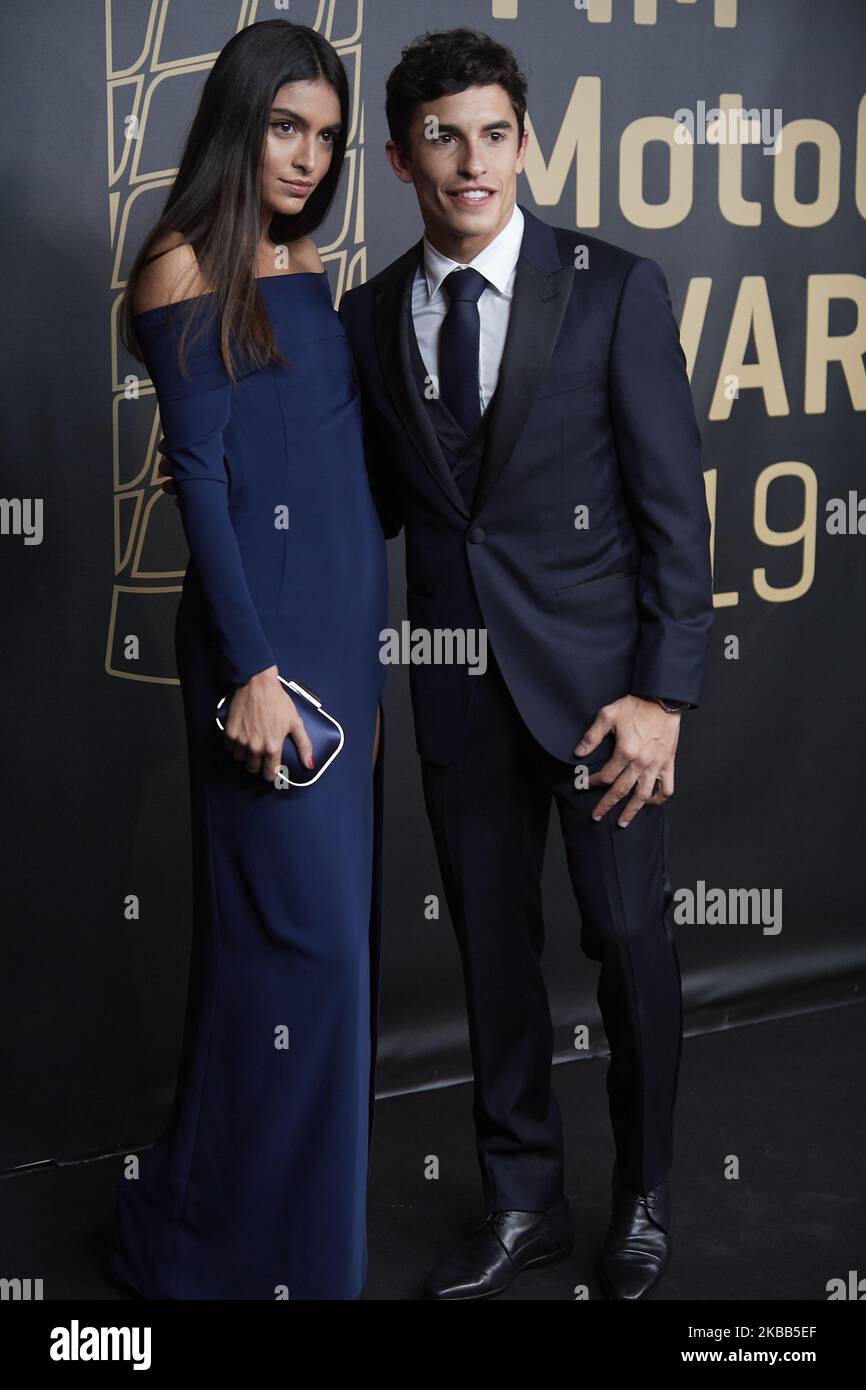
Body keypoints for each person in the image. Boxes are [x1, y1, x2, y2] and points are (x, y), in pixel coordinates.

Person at [337, 28, 714, 1300]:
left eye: (491, 131)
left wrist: (662, 695)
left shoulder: (610, 287)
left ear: (522, 140)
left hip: (606, 703)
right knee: (492, 957)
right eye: (441, 135)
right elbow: (375, 505)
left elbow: (674, 510)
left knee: (624, 935)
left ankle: (648, 1195)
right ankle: (521, 1202)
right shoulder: (370, 315)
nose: (469, 160)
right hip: (457, 696)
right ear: (399, 158)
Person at [109, 19, 388, 1300]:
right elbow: (205, 483)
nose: (309, 155)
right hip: (263, 648)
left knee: (289, 960)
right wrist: (253, 671)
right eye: (286, 126)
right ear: (236, 120)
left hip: (341, 631)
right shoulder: (181, 262)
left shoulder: (304, 253)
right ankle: (242, 1264)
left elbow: (325, 454)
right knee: (304, 955)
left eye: (327, 136)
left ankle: (219, 1235)